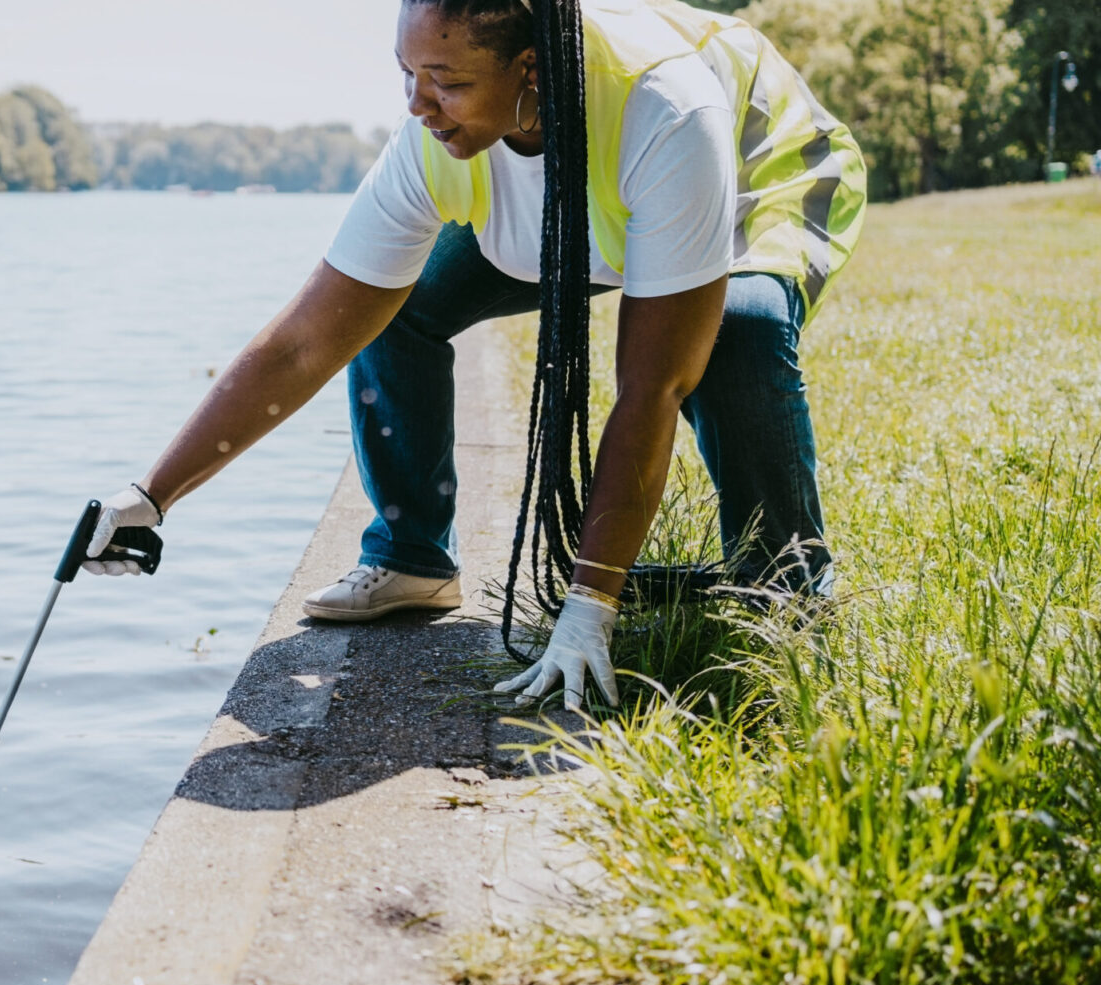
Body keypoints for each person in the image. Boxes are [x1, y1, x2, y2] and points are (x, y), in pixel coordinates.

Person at [84, 0, 865, 710]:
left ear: (530, 68)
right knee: (390, 310)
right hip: (580, 185)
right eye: (407, 75)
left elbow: (652, 387)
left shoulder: (668, 108)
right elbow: (306, 341)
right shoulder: (431, 142)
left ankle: (785, 584)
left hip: (749, 169)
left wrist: (591, 605)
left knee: (736, 329)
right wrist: (149, 497)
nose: (417, 104)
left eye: (445, 81)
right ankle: (413, 558)